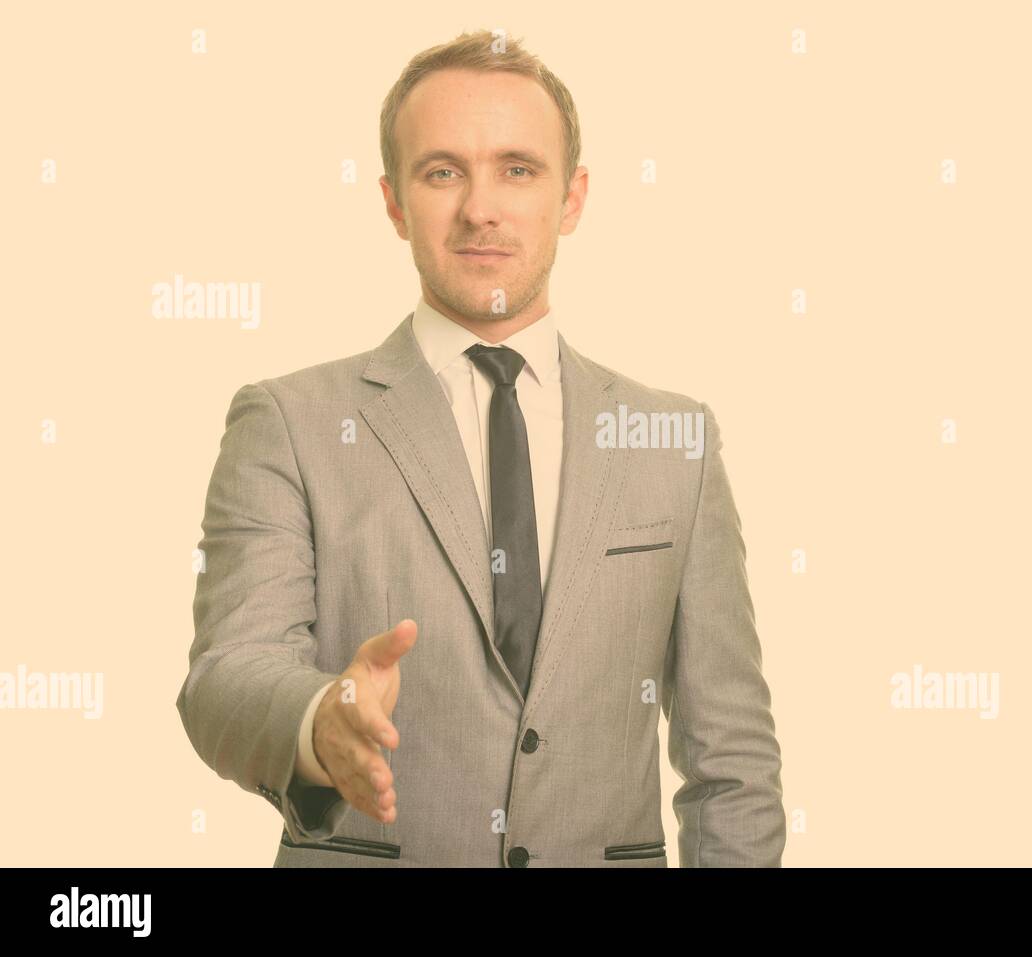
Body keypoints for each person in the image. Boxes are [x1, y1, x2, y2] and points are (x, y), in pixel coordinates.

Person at [176, 29, 785, 867]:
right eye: (443, 171)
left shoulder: (675, 439)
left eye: (517, 168)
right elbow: (225, 675)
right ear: (394, 202)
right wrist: (322, 718)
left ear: (572, 199)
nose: (481, 208)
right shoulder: (288, 421)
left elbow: (734, 764)